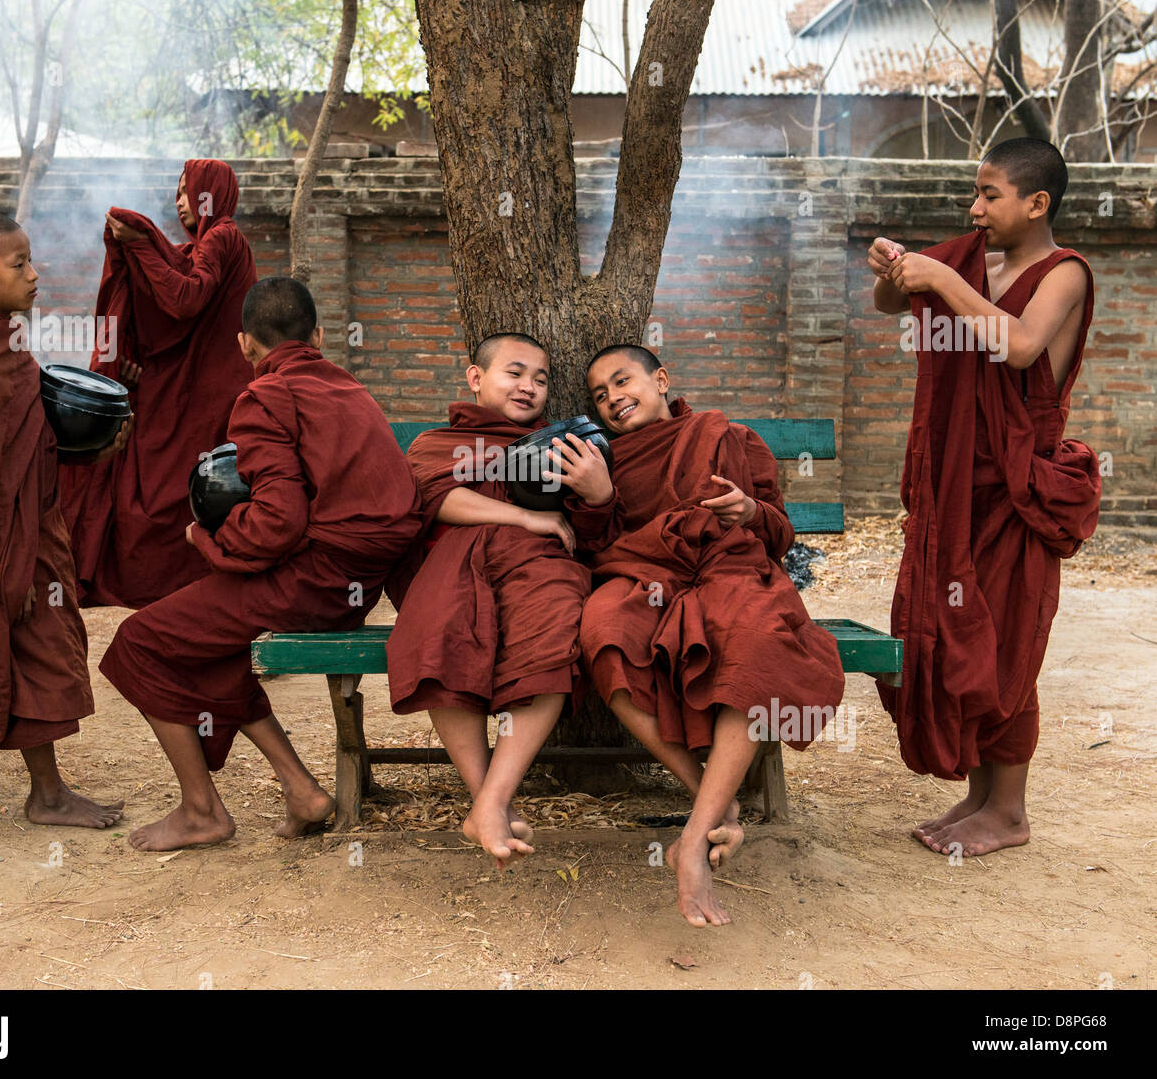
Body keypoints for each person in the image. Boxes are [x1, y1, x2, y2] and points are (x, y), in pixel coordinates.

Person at [99, 277, 422, 851]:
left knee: (138, 642)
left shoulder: (265, 396)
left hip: (314, 581)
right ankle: (302, 790)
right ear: (319, 336)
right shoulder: (348, 388)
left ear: (246, 345)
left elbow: (278, 521)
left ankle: (201, 811)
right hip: (356, 582)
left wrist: (210, 540)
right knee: (207, 645)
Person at [868, 136, 1100, 858]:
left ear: (1037, 203)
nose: (974, 209)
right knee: (949, 633)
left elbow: (1020, 347)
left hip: (1017, 486)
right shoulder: (977, 263)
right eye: (974, 193)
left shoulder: (1065, 273)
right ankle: (979, 797)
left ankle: (1010, 812)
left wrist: (941, 276)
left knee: (1007, 643)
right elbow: (890, 306)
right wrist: (897, 272)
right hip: (955, 484)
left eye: (989, 195)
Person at [581, 345, 845, 927]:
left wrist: (750, 510)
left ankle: (694, 843)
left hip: (730, 567)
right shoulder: (607, 459)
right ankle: (716, 800)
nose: (613, 398)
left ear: (661, 379)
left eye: (622, 381)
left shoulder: (723, 434)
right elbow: (598, 546)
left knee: (753, 644)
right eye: (600, 395)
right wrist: (599, 495)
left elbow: (778, 535)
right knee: (604, 634)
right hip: (649, 575)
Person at [385, 333, 612, 868]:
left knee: (556, 629)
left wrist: (597, 492)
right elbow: (433, 498)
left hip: (537, 570)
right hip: (456, 566)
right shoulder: (438, 443)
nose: (529, 387)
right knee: (439, 627)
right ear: (475, 378)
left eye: (541, 378)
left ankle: (489, 803)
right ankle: (486, 795)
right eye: (515, 372)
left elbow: (593, 532)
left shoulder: (558, 445)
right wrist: (524, 516)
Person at [0, 211, 128, 827]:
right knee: (30, 652)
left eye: (30, 258)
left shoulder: (5, 339)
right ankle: (46, 796)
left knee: (42, 648)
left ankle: (48, 792)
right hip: (5, 543)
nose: (35, 274)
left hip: (36, 531)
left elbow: (29, 443)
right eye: (18, 265)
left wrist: (91, 448)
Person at [61, 158, 257, 607]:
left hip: (211, 402)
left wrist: (142, 243)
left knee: (181, 493)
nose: (180, 200)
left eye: (189, 191)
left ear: (213, 193)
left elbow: (184, 299)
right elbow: (172, 313)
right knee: (155, 487)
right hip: (184, 396)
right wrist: (135, 362)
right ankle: (178, 596)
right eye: (178, 192)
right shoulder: (204, 246)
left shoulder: (224, 234)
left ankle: (193, 596)